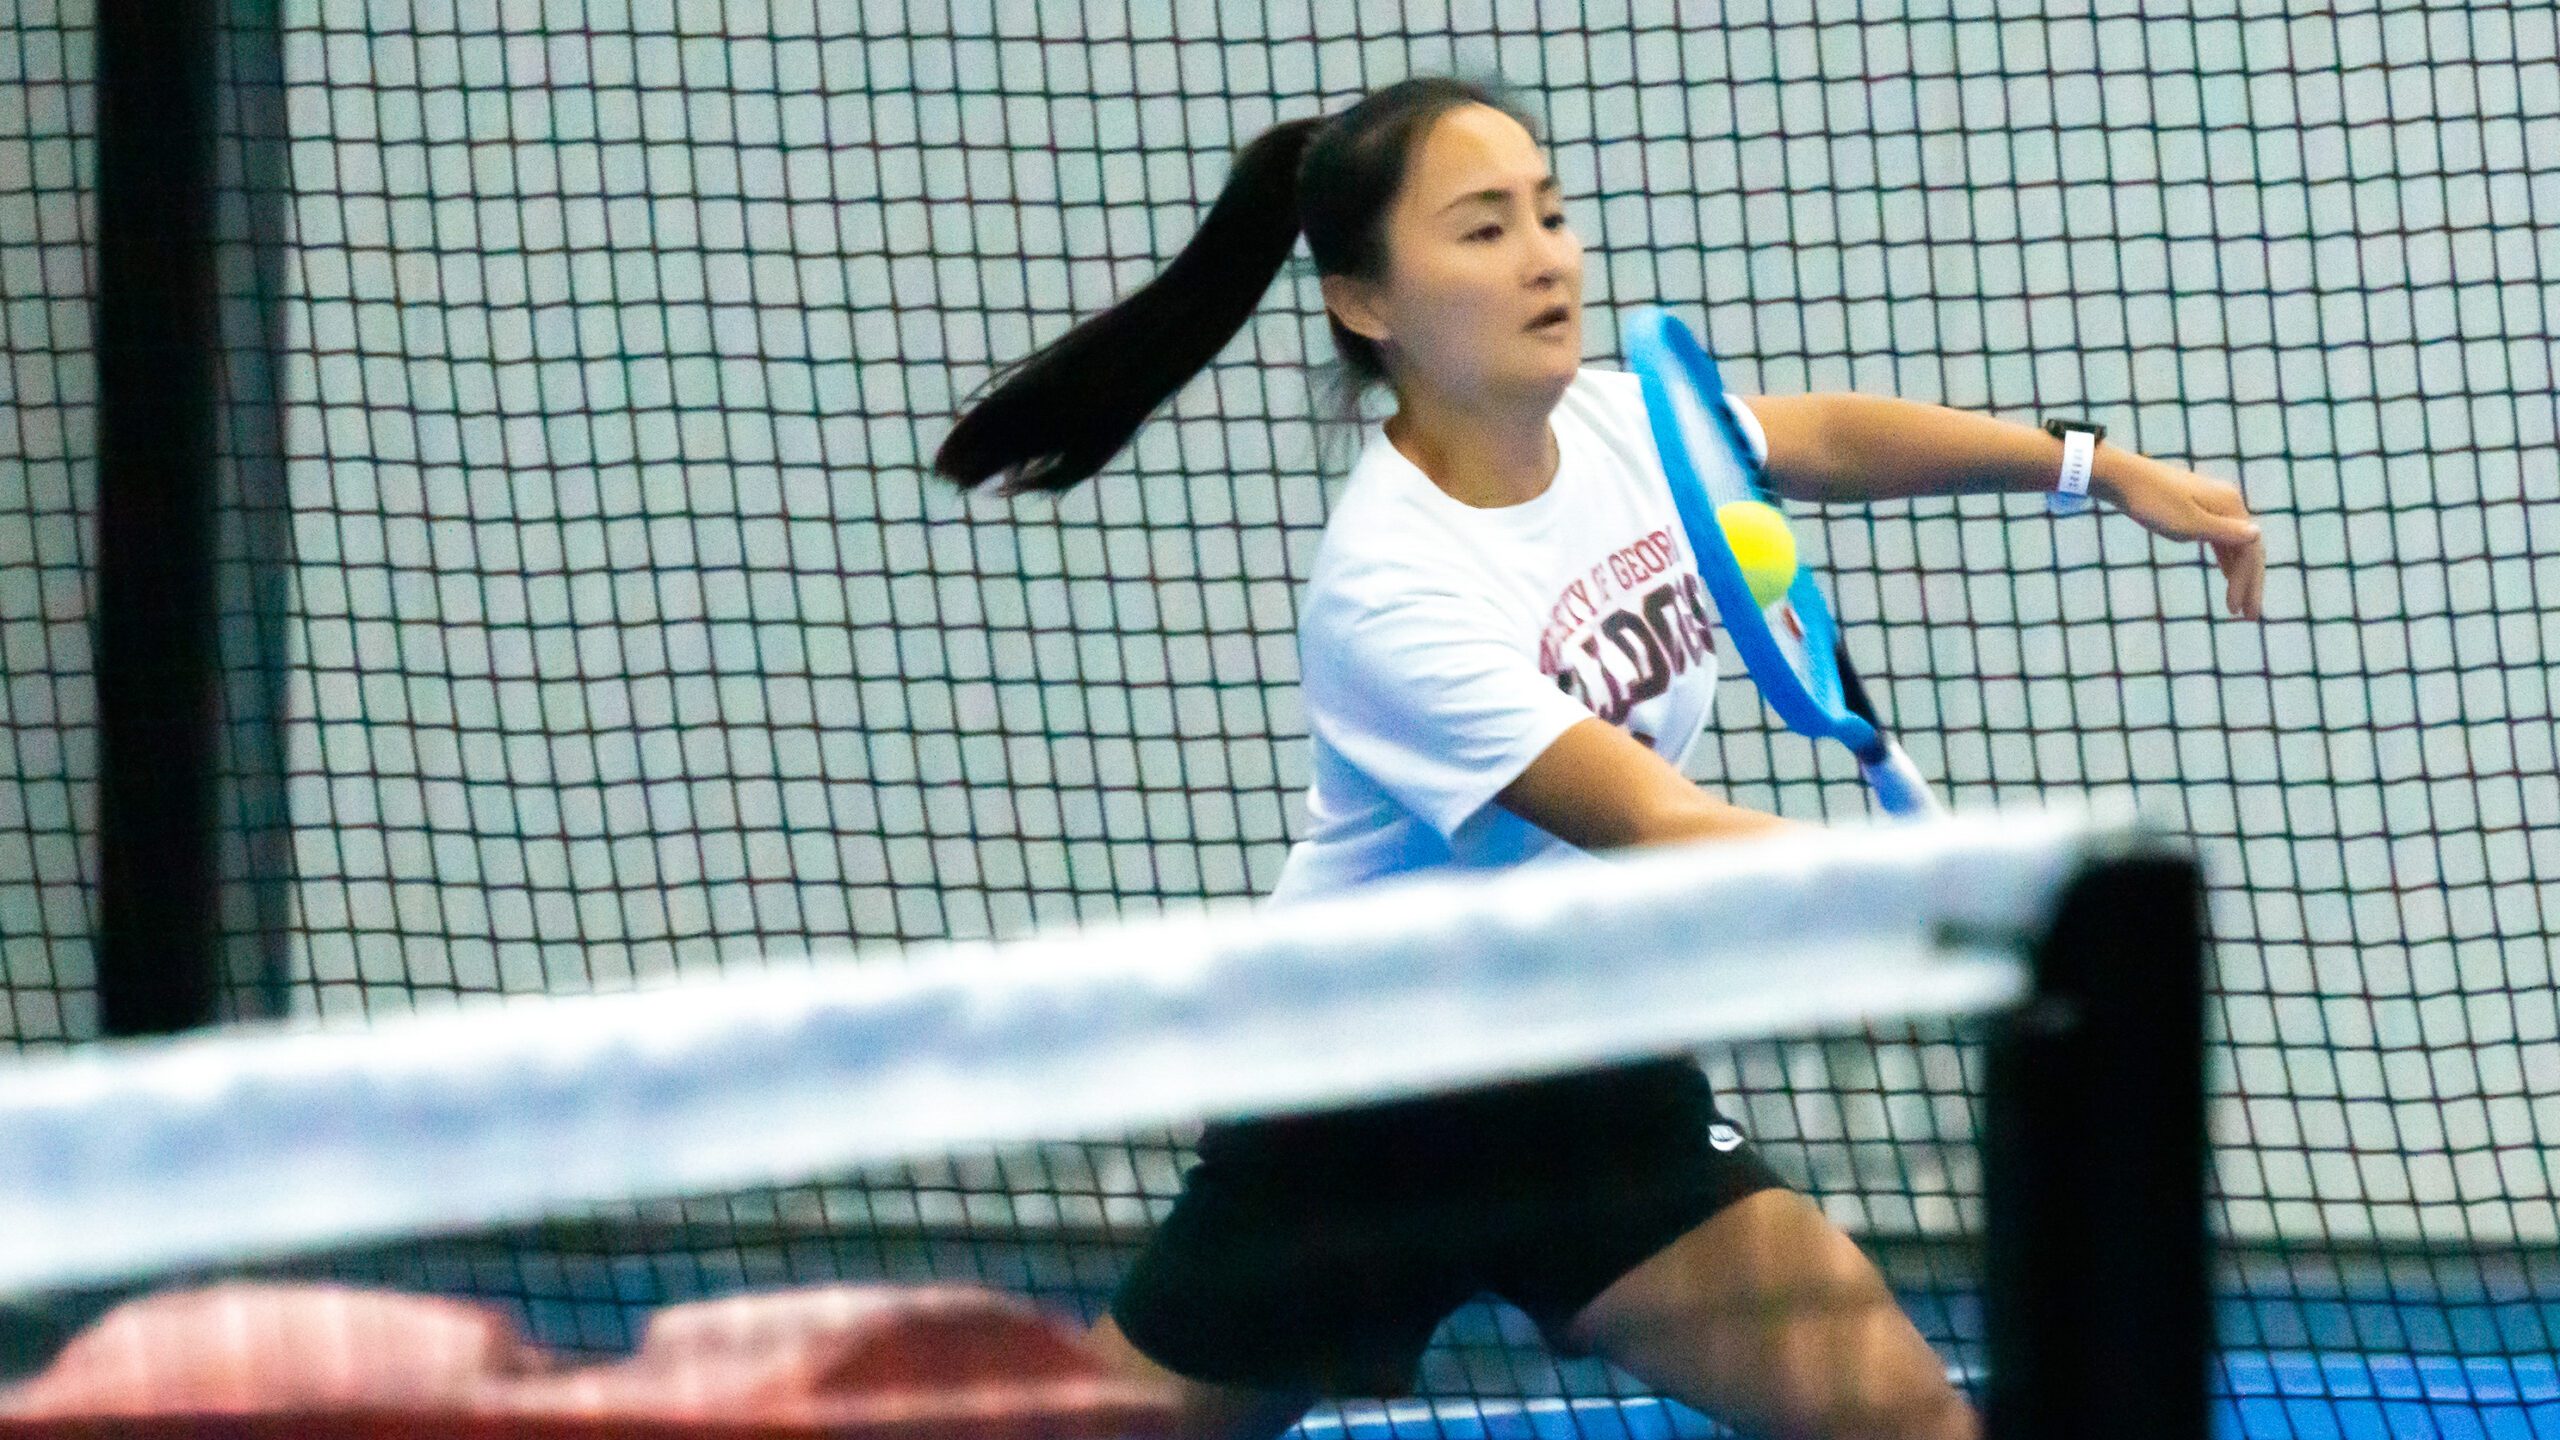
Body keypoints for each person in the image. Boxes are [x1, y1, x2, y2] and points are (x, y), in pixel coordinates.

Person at [937, 75, 2264, 1440]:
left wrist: (2087, 467)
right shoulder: (1393, 589)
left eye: (1549, 213)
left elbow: (1805, 436)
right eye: (1482, 229)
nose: (1544, 255)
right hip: (1362, 1092)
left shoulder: (1629, 427)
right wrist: (1937, 903)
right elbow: (1649, 817)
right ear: (1365, 302)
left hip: (1585, 1058)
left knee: (1904, 1420)